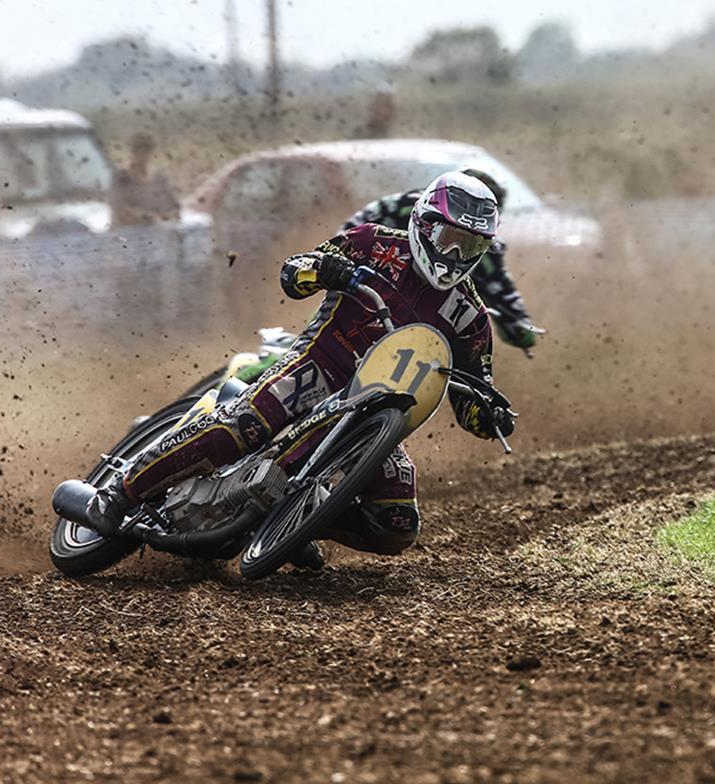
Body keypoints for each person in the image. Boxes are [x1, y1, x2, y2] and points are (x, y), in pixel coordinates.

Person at [82, 171, 515, 558]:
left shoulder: (471, 317)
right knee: (244, 426)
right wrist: (327, 270)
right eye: (449, 241)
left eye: (472, 246)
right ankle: (118, 495)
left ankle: (289, 523)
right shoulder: (372, 243)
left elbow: (475, 397)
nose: (457, 255)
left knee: (396, 525)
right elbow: (294, 273)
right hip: (318, 366)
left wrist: (490, 414)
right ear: (423, 225)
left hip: (375, 410)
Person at [344, 166, 543, 352]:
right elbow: (351, 231)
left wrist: (519, 324)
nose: (472, 213)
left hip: (429, 318)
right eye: (449, 235)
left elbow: (500, 288)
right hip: (371, 286)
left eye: (472, 240)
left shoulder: (489, 251)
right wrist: (343, 264)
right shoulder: (405, 205)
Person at [111, 133, 178, 227]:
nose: (143, 155)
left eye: (146, 150)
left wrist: (169, 215)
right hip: (127, 234)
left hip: (156, 233)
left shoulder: (159, 177)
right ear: (133, 151)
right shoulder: (121, 177)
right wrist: (148, 217)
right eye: (139, 150)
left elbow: (172, 206)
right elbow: (121, 210)